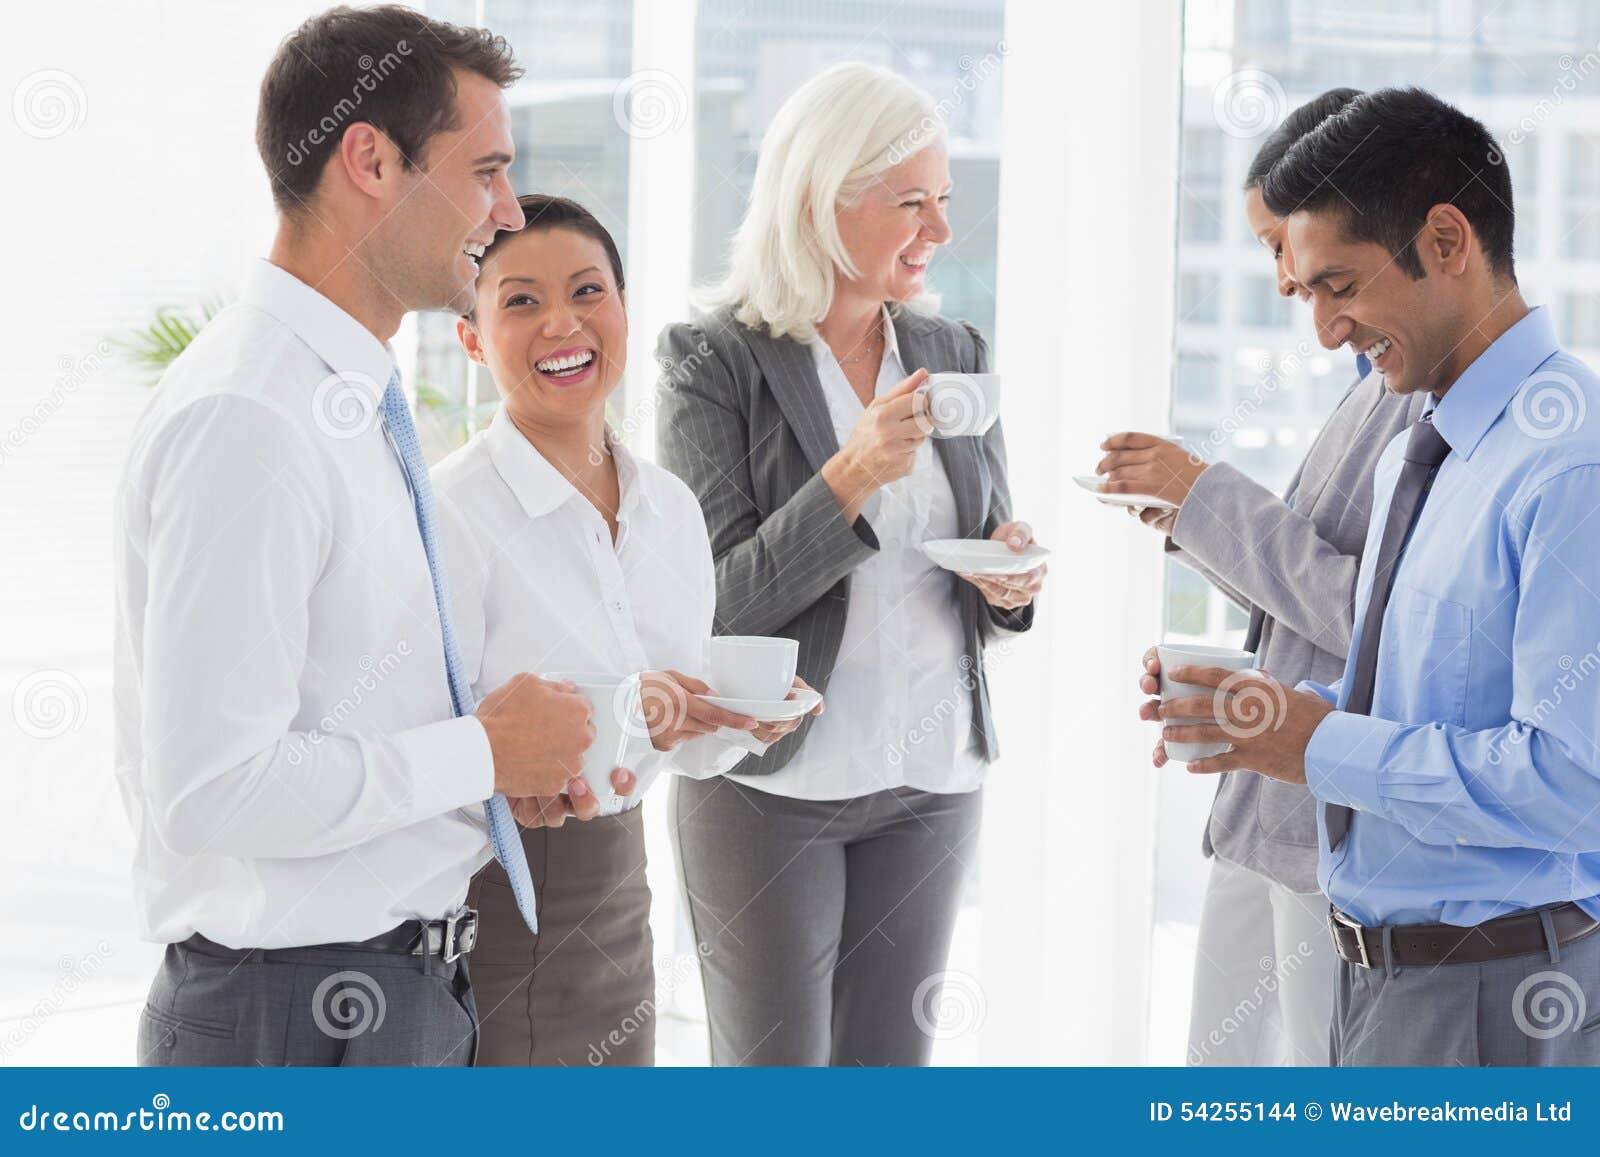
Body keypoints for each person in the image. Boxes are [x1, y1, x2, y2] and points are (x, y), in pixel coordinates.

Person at [115, 6, 612, 1067]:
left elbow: (337, 703)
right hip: (292, 1016)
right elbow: (214, 788)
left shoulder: (347, 395)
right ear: (370, 158)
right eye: (483, 170)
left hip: (391, 993)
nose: (508, 208)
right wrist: (479, 746)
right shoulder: (251, 416)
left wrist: (481, 767)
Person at [1143, 87, 1600, 1066]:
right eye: (1307, 291)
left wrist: (1319, 747)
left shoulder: (1572, 464)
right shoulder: (1419, 450)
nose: (1325, 331)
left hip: (1502, 1000)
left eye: (1339, 285)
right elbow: (1417, 697)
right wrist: (1270, 714)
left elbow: (1576, 783)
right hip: (1377, 984)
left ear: (1446, 241)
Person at [655, 62, 1044, 1066]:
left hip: (932, 775)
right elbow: (720, 598)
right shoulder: (716, 361)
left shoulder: (951, 346)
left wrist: (1008, 580)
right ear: (821, 199)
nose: (940, 229)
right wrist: (850, 474)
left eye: (943, 200)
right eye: (910, 201)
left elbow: (986, 538)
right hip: (772, 786)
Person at [432, 194, 816, 1066]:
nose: (562, 322)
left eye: (587, 290)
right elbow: (428, 744)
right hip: (493, 894)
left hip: (622, 896)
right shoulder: (451, 512)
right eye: (521, 300)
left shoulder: (670, 508)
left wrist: (728, 720)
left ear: (625, 309)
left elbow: (673, 729)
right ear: (471, 338)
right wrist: (627, 711)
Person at [1097, 89, 1429, 1066]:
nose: (1285, 280)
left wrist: (1208, 497)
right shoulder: (1371, 387)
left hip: (1327, 823)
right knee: (1222, 1076)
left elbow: (1366, 612)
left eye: (1284, 244)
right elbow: (1308, 592)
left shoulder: (1433, 400)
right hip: (1265, 815)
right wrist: (1193, 530)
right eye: (1269, 250)